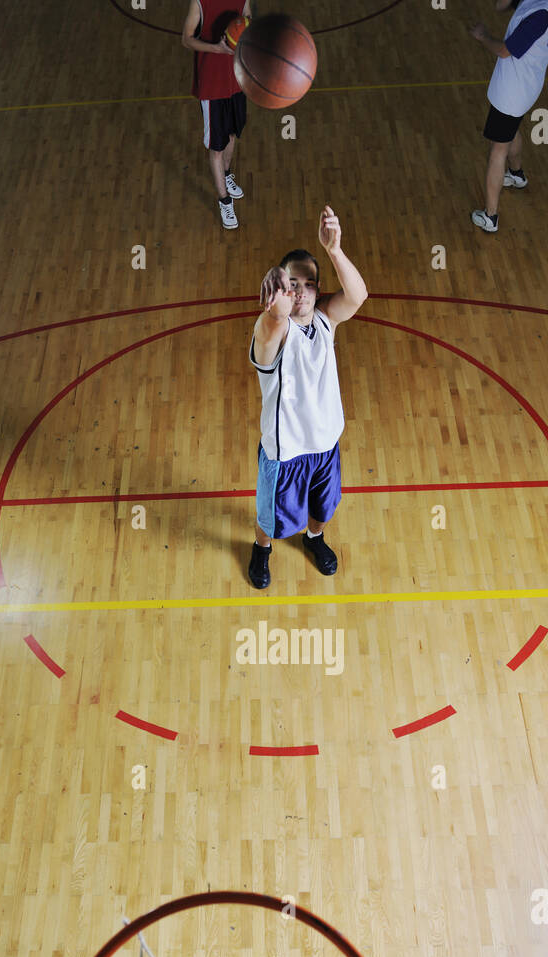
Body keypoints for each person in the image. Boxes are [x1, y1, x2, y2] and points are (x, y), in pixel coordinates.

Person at [247, 206, 368, 590]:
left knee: (322, 509)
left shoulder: (324, 320)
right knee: (269, 519)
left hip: (325, 445)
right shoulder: (273, 336)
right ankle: (261, 548)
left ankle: (313, 538)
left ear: (317, 291)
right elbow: (273, 320)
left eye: (309, 283)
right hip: (285, 454)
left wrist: (334, 249)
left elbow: (358, 295)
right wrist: (274, 300)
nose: (300, 291)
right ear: (280, 291)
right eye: (291, 283)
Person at [468, 0, 548, 232]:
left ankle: (491, 216)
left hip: (512, 91)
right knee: (511, 131)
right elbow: (501, 6)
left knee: (498, 150)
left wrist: (482, 36)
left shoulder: (539, 17)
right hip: (526, 86)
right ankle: (517, 174)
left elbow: (504, 50)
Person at [182, 2, 252, 229]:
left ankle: (226, 175)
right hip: (212, 84)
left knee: (232, 134)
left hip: (238, 78)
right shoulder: (199, 2)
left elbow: (249, 23)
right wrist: (217, 48)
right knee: (216, 147)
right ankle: (224, 201)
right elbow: (187, 39)